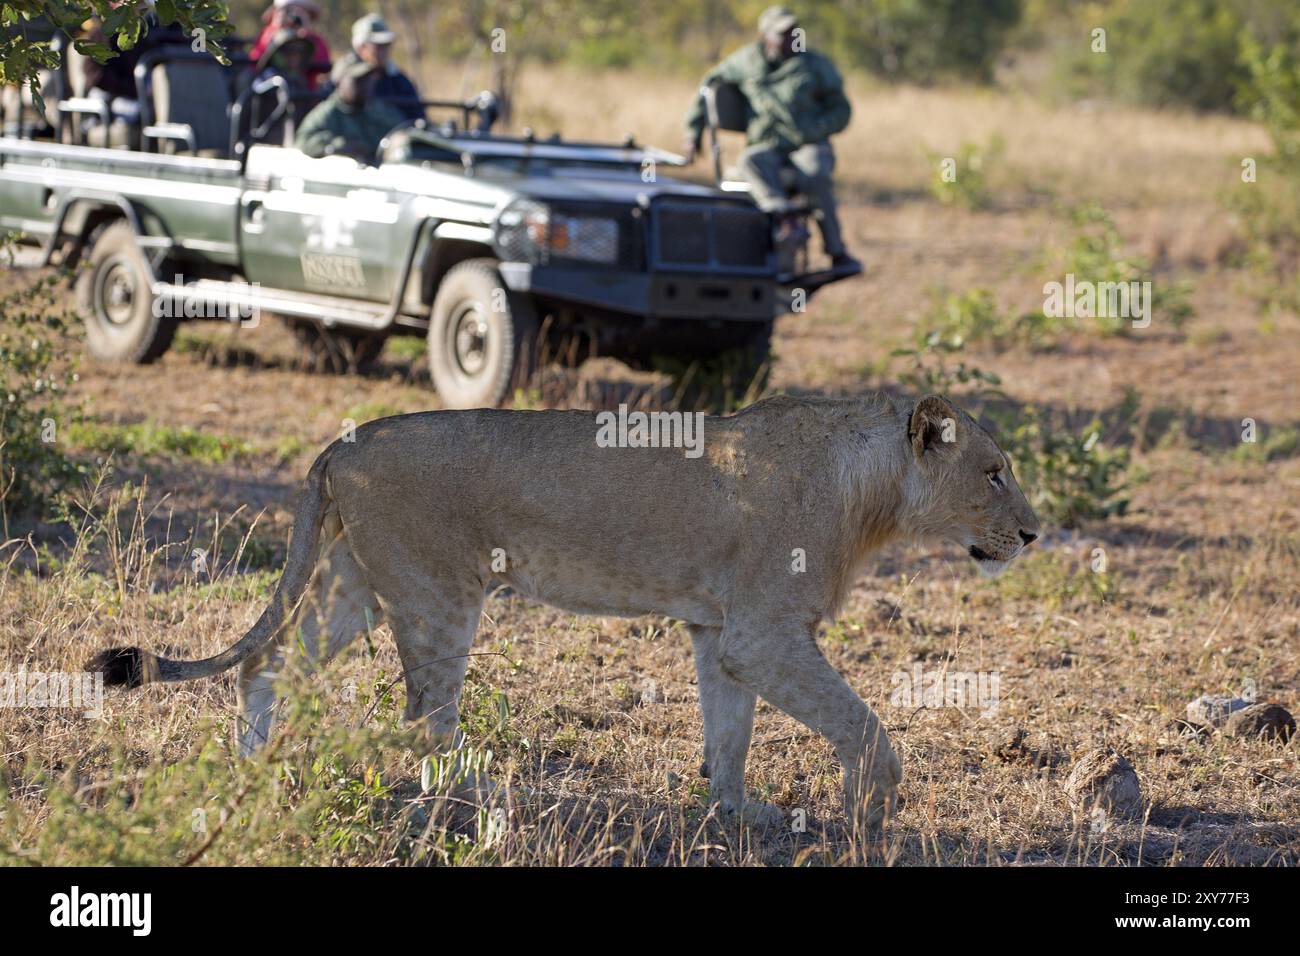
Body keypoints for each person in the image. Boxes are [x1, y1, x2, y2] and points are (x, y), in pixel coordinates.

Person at [682, 5, 859, 274]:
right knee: (749, 161)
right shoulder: (747, 61)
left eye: (793, 32)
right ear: (766, 36)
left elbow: (841, 109)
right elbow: (709, 83)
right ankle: (784, 218)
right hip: (767, 145)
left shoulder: (814, 65)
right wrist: (692, 132)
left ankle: (836, 250)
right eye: (783, 34)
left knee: (816, 172)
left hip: (805, 145)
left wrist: (815, 129)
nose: (790, 38)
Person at [295, 60, 405, 160]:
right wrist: (338, 146)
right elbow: (303, 142)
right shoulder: (327, 113)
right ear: (339, 82)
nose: (365, 85)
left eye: (368, 79)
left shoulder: (381, 109)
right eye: (358, 80)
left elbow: (403, 133)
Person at [329, 14, 422, 121]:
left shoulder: (398, 80)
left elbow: (417, 116)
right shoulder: (344, 76)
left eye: (386, 45)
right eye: (378, 46)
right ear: (361, 47)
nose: (384, 51)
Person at [248, 0, 330, 90]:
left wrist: (304, 33)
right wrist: (279, 31)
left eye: (303, 10)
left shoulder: (314, 39)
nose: (295, 14)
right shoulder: (267, 33)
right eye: (288, 10)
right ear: (276, 12)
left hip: (305, 91)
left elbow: (323, 63)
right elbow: (257, 62)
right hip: (273, 91)